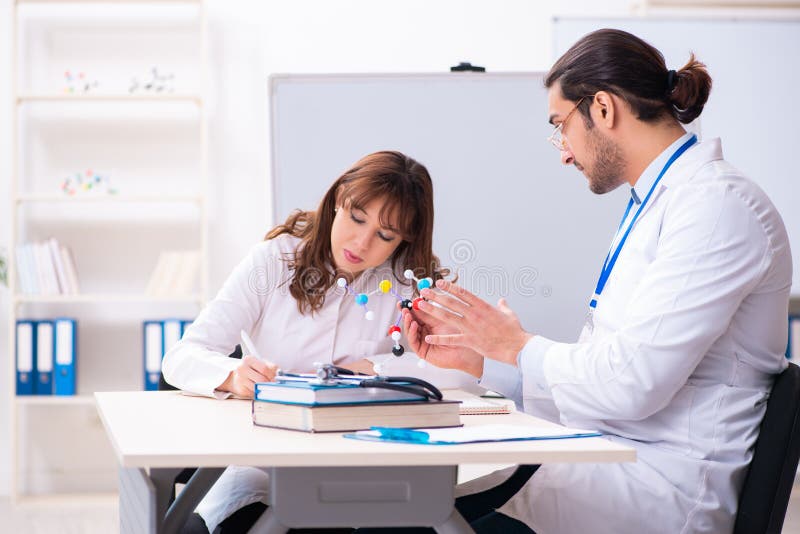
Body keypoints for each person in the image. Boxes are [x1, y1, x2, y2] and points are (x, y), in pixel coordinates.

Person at [401, 29, 792, 533]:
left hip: (662, 494)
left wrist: (517, 346)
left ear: (603, 109)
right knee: (417, 499)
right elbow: (608, 375)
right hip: (619, 458)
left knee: (414, 510)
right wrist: (486, 358)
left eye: (561, 126)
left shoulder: (716, 208)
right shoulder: (660, 203)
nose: (563, 151)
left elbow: (631, 386)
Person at [162, 150, 477, 533]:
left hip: (373, 467)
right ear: (337, 201)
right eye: (357, 218)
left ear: (405, 239)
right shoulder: (274, 262)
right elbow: (181, 357)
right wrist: (233, 375)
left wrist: (379, 369)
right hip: (270, 468)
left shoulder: (409, 282)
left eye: (385, 235)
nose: (361, 243)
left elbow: (458, 376)